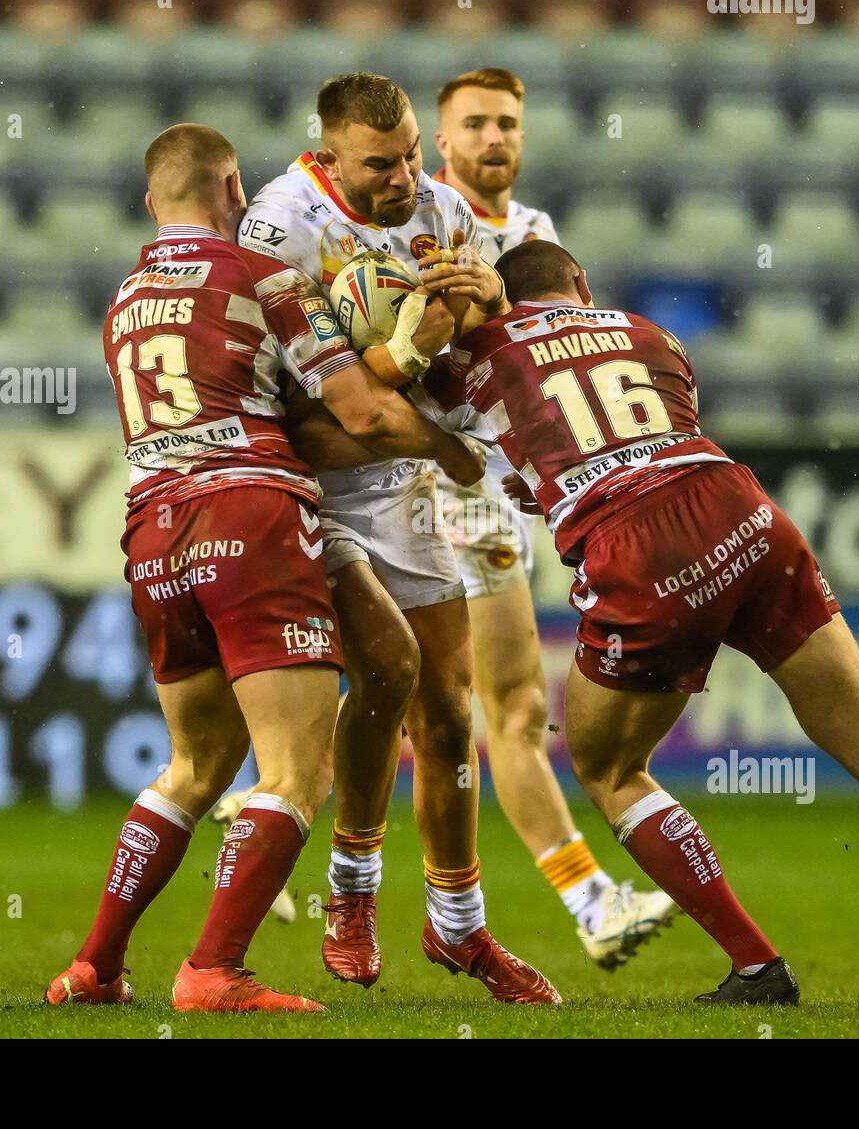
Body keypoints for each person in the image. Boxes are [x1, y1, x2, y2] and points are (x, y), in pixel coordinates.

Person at [423, 239, 859, 1009]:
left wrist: (439, 330)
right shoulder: (652, 334)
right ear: (582, 284)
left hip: (638, 541)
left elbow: (389, 410)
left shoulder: (475, 359)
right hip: (740, 506)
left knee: (609, 769)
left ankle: (758, 966)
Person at [44, 124, 483, 1013]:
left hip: (153, 529)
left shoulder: (125, 300)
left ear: (149, 203)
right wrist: (453, 448)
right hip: (250, 514)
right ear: (233, 186)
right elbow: (362, 413)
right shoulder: (261, 274)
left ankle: (95, 965)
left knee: (194, 767)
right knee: (292, 772)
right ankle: (213, 970)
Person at [236, 72, 559, 1003]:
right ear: (326, 153)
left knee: (451, 715)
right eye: (381, 164)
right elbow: (310, 407)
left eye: (413, 152)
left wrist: (489, 298)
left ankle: (461, 928)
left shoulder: (446, 210)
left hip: (407, 474)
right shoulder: (280, 226)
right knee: (385, 671)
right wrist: (455, 446)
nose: (405, 176)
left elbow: (476, 360)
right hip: (314, 476)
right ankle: (350, 895)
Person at [431, 66, 676, 967]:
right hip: (451, 490)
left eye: (508, 124)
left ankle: (451, 914)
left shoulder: (537, 237)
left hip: (517, 487)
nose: (495, 139)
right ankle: (585, 901)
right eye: (476, 125)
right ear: (442, 138)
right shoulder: (420, 226)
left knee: (470, 709)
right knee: (506, 707)